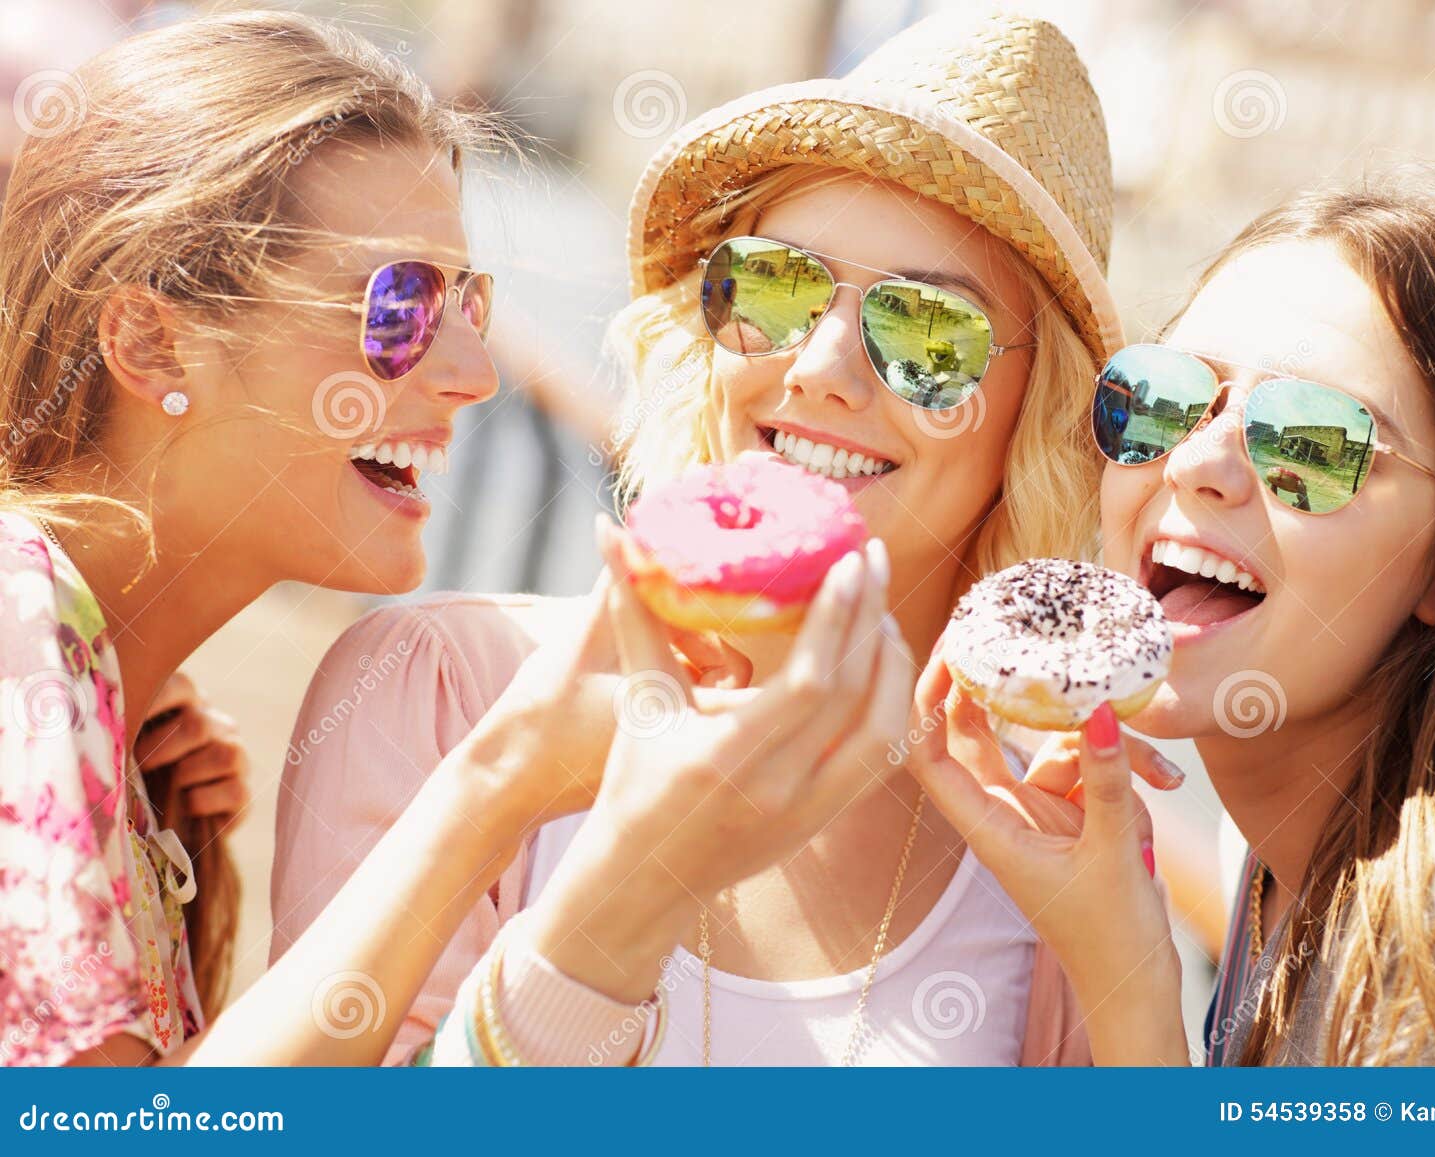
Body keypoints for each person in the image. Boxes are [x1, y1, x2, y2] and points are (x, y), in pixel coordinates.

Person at [272, 9, 1184, 1066]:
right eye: (773, 287)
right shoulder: (440, 693)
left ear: (1036, 413)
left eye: (930, 331)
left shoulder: (1062, 839)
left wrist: (1131, 983)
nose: (819, 367)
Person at [0, 9, 881, 1069]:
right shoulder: (18, 627)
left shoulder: (111, 722)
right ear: (152, 339)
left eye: (468, 300)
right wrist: (499, 780)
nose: (474, 370)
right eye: (399, 304)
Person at [911, 168, 1435, 1066]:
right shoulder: (1283, 849)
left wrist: (1124, 973)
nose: (1197, 460)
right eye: (1161, 397)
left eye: (1308, 440)